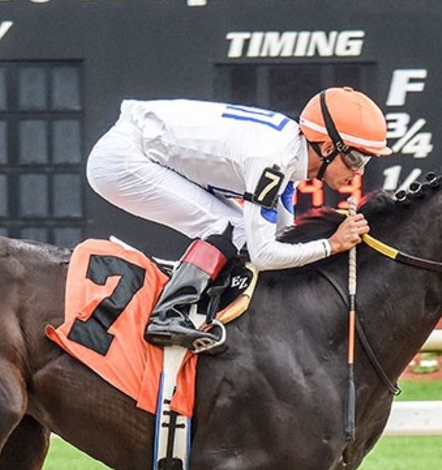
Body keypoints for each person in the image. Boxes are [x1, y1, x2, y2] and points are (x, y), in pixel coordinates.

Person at [86, 87, 391, 350]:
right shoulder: (272, 160)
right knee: (230, 229)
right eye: (357, 158)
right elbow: (264, 255)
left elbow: (285, 238)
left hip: (146, 148)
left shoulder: (291, 162)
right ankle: (167, 315)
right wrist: (331, 245)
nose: (360, 170)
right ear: (326, 147)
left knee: (241, 233)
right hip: (123, 159)